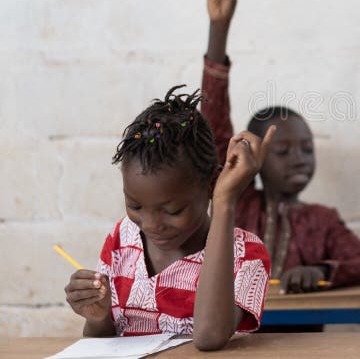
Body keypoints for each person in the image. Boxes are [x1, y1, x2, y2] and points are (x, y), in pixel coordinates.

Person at [202, 0, 360, 295]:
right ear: (254, 157)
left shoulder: (321, 221)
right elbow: (214, 125)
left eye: (306, 149)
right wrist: (219, 28)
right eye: (283, 151)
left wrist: (319, 272)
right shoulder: (235, 205)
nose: (299, 158)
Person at [63, 86, 273, 350]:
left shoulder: (245, 254)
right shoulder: (121, 239)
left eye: (172, 211)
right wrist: (97, 316)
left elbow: (209, 336)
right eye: (134, 205)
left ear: (211, 185)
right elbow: (102, 344)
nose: (151, 225)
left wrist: (224, 202)